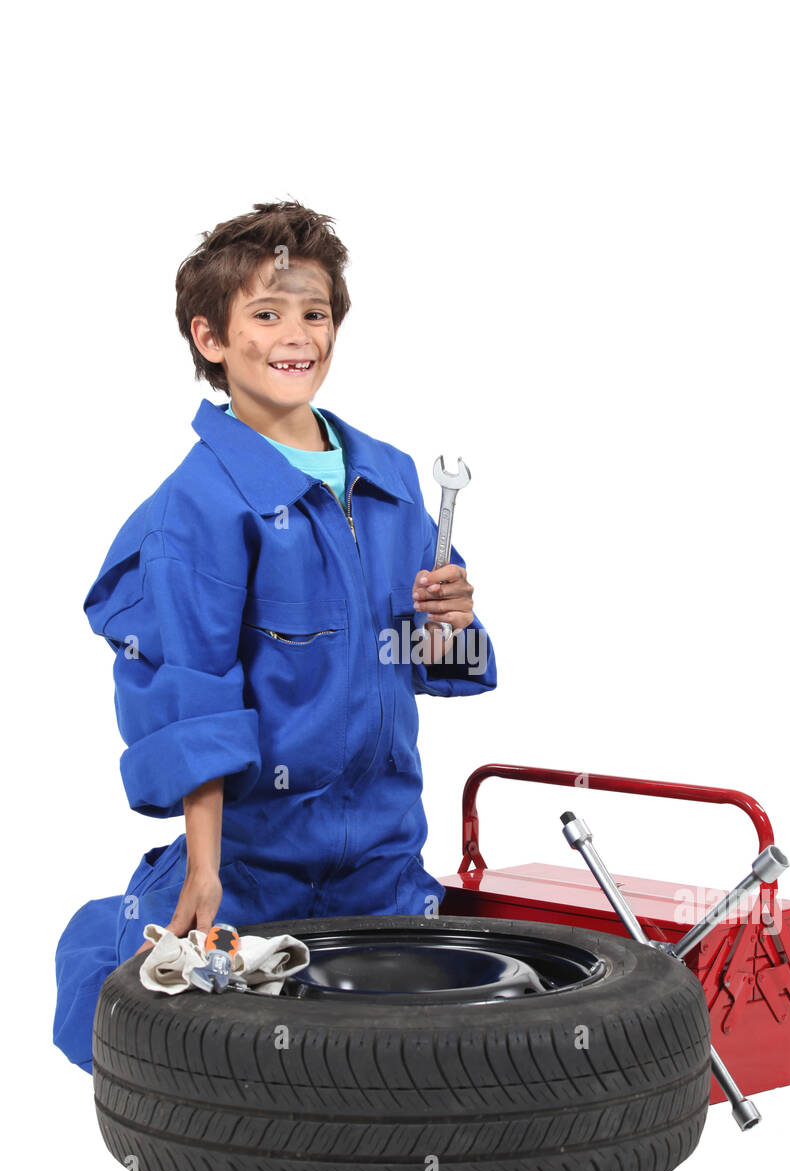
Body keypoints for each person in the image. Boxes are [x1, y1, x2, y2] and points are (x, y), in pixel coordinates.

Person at [54, 199, 497, 1073]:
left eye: (315, 312)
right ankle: (102, 940)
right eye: (266, 313)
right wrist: (206, 875)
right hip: (258, 864)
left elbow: (422, 663)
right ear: (211, 339)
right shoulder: (200, 503)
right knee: (173, 1018)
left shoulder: (392, 478)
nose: (297, 336)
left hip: (385, 854)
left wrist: (450, 623)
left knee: (408, 1053)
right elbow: (191, 694)